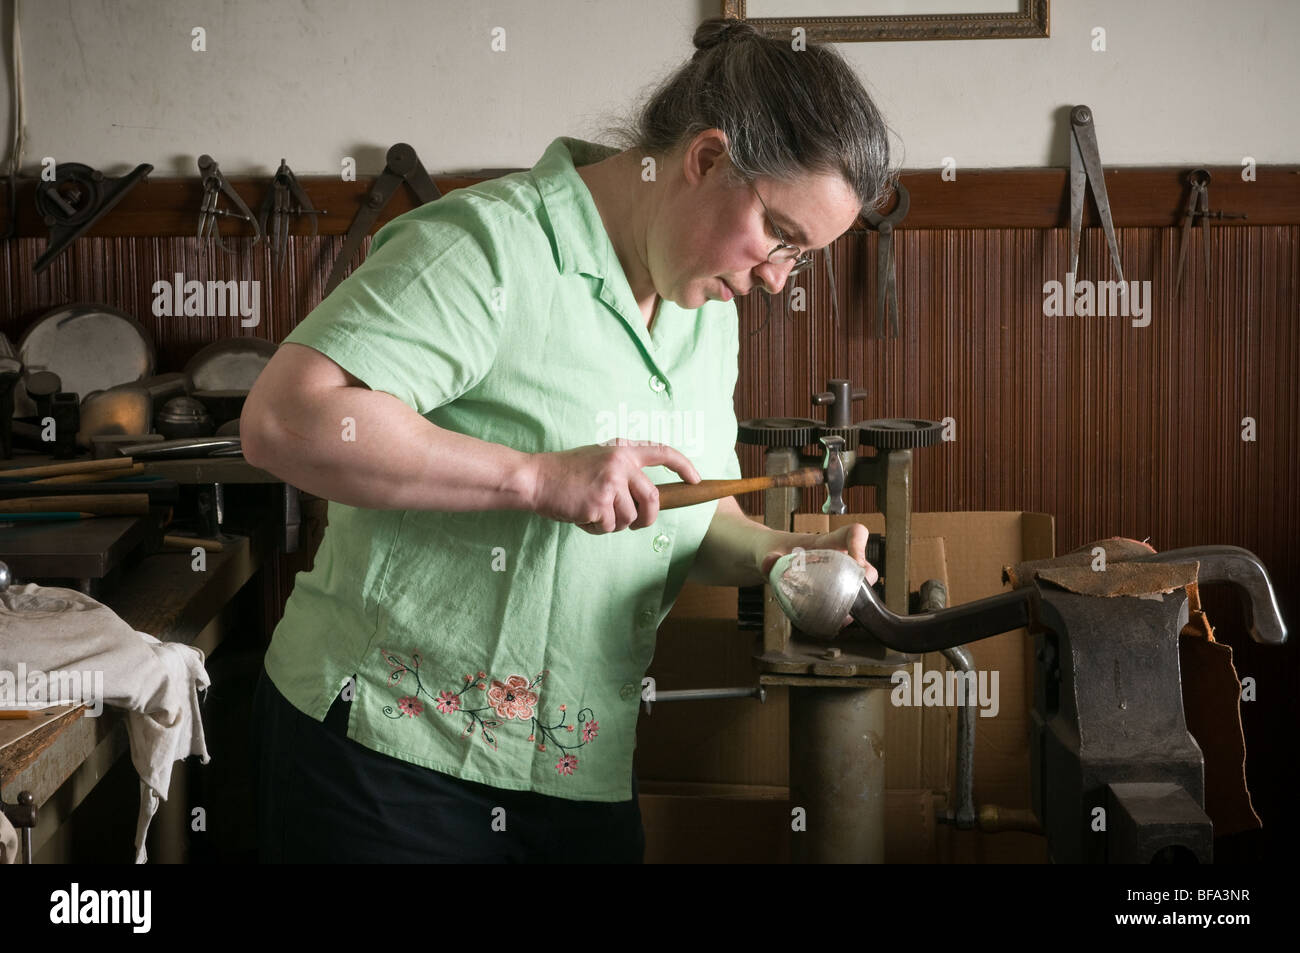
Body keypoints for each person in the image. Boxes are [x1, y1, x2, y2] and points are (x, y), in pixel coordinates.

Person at [241, 16, 893, 863]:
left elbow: (682, 509)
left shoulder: (704, 311)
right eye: (782, 234)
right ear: (705, 159)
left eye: (799, 259)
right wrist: (538, 479)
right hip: (388, 760)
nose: (777, 276)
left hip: (574, 769)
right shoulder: (491, 247)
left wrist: (783, 556)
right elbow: (284, 418)